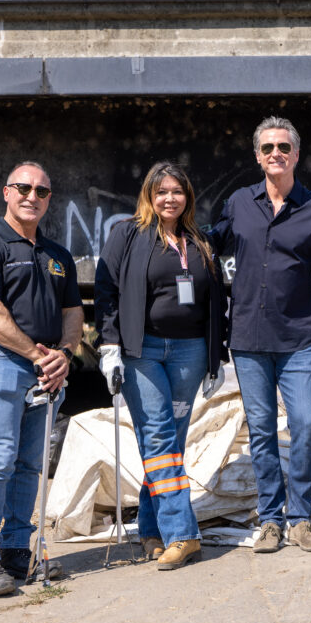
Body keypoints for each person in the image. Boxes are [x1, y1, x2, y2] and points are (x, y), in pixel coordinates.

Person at [210, 117, 311, 554]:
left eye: (284, 147)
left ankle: (299, 518)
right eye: (268, 147)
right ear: (257, 156)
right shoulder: (239, 203)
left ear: (295, 155)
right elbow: (209, 247)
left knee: (306, 424)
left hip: (296, 341)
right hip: (249, 341)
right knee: (262, 432)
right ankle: (271, 520)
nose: (276, 153)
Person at [95, 162, 229, 571]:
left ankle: (151, 531)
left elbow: (215, 299)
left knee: (171, 442)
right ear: (149, 196)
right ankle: (183, 535)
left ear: (188, 196)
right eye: (162, 192)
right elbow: (107, 289)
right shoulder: (129, 234)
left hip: (189, 353)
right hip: (143, 350)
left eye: (178, 191)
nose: (170, 198)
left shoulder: (199, 240)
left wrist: (215, 355)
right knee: (157, 437)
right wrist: (109, 345)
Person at [0, 162, 84, 597]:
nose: (32, 195)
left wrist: (64, 355)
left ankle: (15, 549)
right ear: (6, 193)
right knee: (0, 459)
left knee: (31, 463)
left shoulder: (58, 256)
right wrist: (37, 355)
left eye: (42, 191)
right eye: (24, 188)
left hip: (48, 365)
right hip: (2, 360)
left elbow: (73, 315)